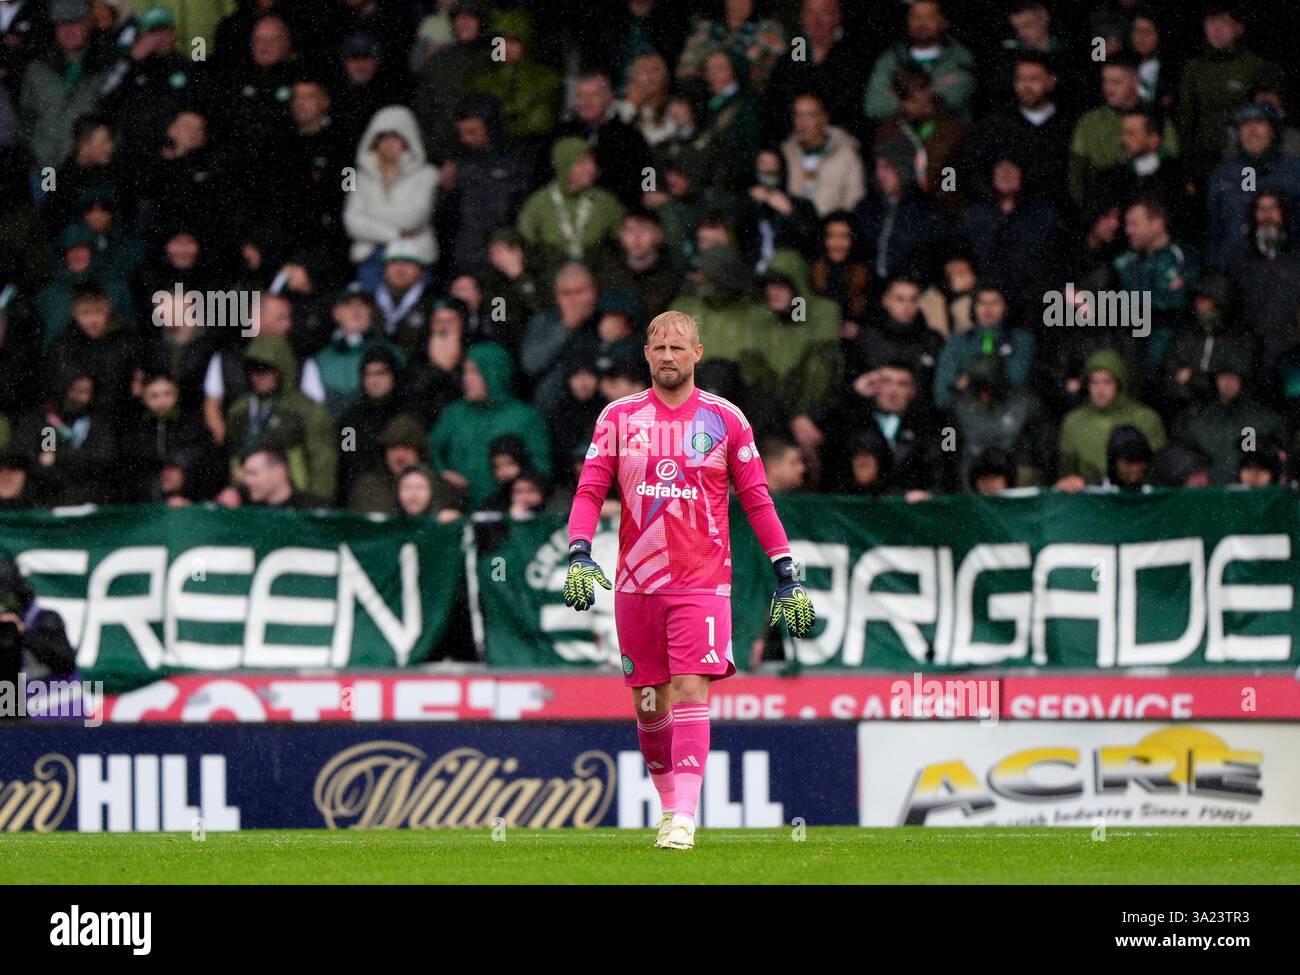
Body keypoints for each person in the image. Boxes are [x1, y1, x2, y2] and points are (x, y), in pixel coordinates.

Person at [563, 309, 814, 851]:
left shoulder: (725, 419)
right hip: (636, 583)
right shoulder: (618, 418)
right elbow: (588, 493)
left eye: (679, 348)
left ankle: (683, 816)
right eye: (659, 348)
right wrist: (580, 551)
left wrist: (786, 570)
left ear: (697, 353)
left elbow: (756, 499)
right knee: (649, 707)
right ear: (646, 355)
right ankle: (668, 804)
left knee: (690, 688)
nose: (669, 356)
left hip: (702, 580)